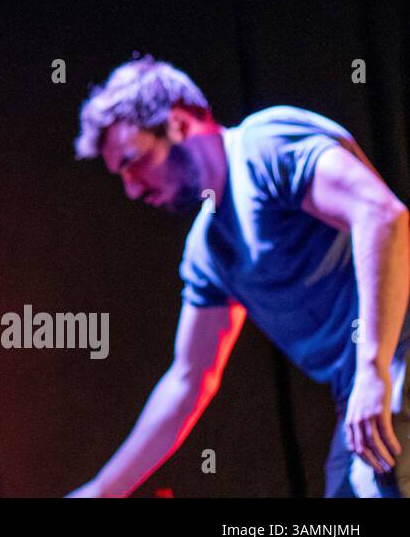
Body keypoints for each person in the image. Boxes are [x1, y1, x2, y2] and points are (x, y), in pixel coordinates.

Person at [66, 55, 409, 497]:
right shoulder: (208, 249)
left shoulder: (265, 145)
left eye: (133, 161)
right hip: (363, 388)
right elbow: (189, 379)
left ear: (177, 123)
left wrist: (373, 367)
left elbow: (381, 216)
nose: (132, 188)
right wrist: (101, 492)